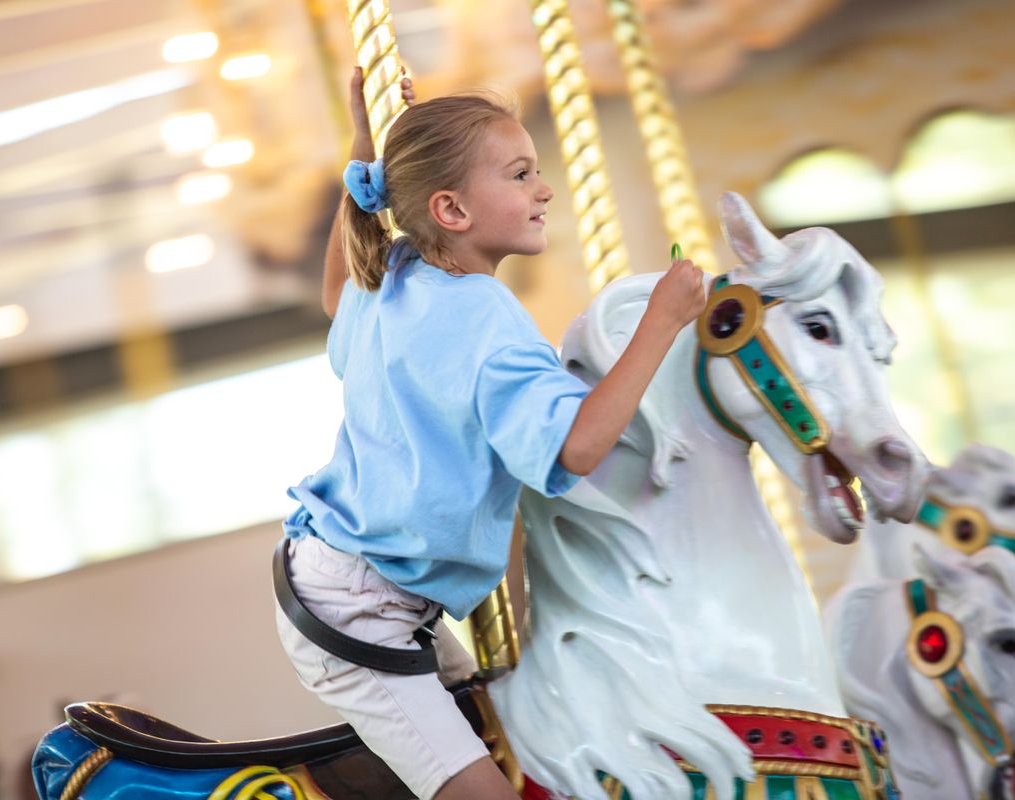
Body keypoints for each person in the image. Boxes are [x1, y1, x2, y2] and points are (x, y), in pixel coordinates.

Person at [275, 67, 710, 800]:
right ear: (450, 208)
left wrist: (364, 146)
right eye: (519, 174)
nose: (543, 189)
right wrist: (662, 321)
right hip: (363, 611)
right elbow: (576, 446)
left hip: (354, 581)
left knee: (524, 741)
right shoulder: (484, 317)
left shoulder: (399, 276)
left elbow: (332, 292)